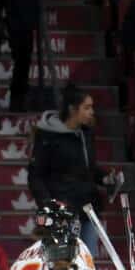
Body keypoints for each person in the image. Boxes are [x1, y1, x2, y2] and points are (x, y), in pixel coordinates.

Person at [29, 84, 117, 256]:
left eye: (92, 107)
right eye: (87, 107)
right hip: (62, 212)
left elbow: (87, 168)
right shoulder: (48, 136)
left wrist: (105, 178)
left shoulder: (86, 134)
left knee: (88, 262)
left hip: (88, 208)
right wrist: (48, 205)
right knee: (63, 263)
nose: (92, 112)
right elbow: (35, 176)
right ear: (72, 109)